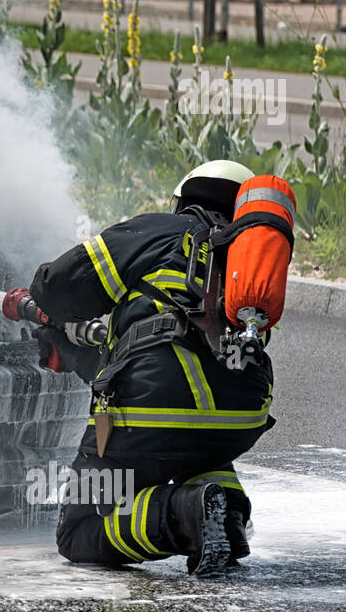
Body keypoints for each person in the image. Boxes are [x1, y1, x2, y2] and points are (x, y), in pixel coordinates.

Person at [29, 160, 276, 575]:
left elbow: (59, 287)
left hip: (154, 412)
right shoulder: (247, 270)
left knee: (80, 529)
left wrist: (41, 302)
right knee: (194, 448)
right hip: (238, 418)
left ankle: (187, 518)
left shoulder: (157, 231)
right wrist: (74, 354)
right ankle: (225, 514)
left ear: (183, 199)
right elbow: (172, 352)